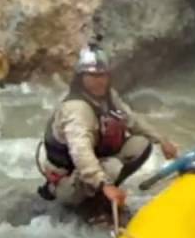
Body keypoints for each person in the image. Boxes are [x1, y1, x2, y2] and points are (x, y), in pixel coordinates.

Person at [38, 47, 178, 224]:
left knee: (140, 144)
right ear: (81, 79)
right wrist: (105, 185)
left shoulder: (108, 96)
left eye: (102, 75)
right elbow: (80, 153)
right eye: (93, 76)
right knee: (112, 166)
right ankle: (94, 204)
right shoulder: (77, 109)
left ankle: (100, 194)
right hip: (67, 180)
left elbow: (131, 120)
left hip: (89, 166)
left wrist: (161, 140)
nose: (99, 81)